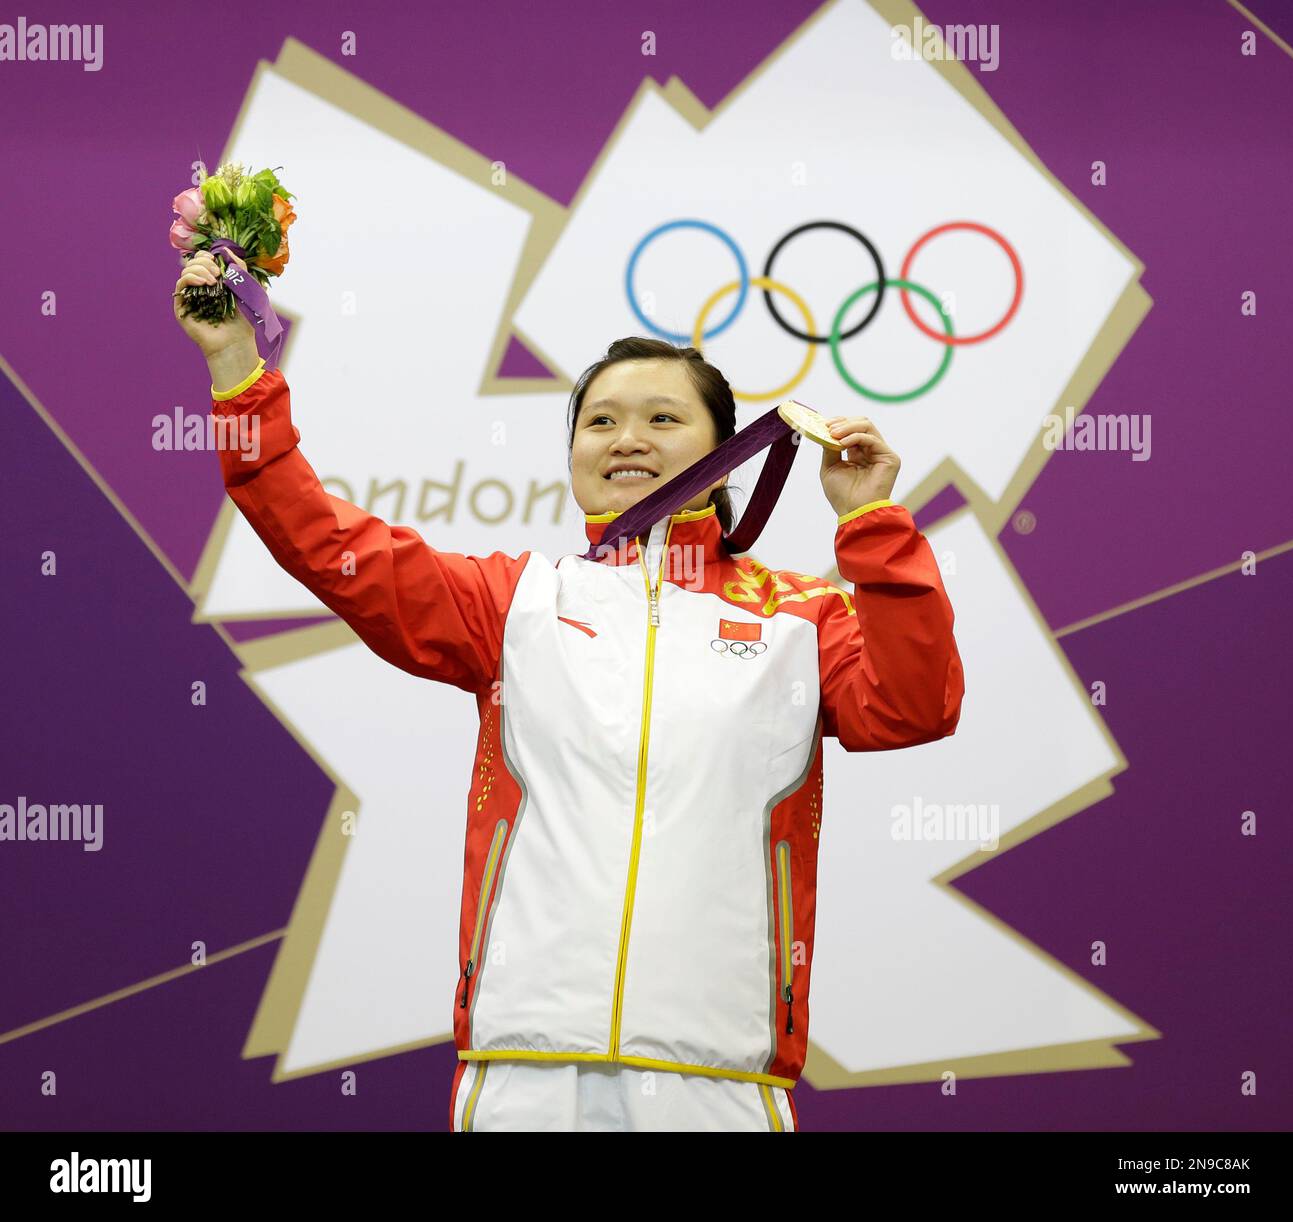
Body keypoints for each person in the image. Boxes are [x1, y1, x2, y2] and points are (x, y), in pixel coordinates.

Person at [174, 248, 966, 1132]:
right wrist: (235, 370)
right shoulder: (516, 604)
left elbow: (916, 706)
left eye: (663, 417)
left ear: (729, 449)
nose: (627, 438)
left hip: (721, 1078)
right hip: (525, 1071)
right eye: (600, 422)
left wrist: (872, 523)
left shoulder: (801, 616)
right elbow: (320, 540)